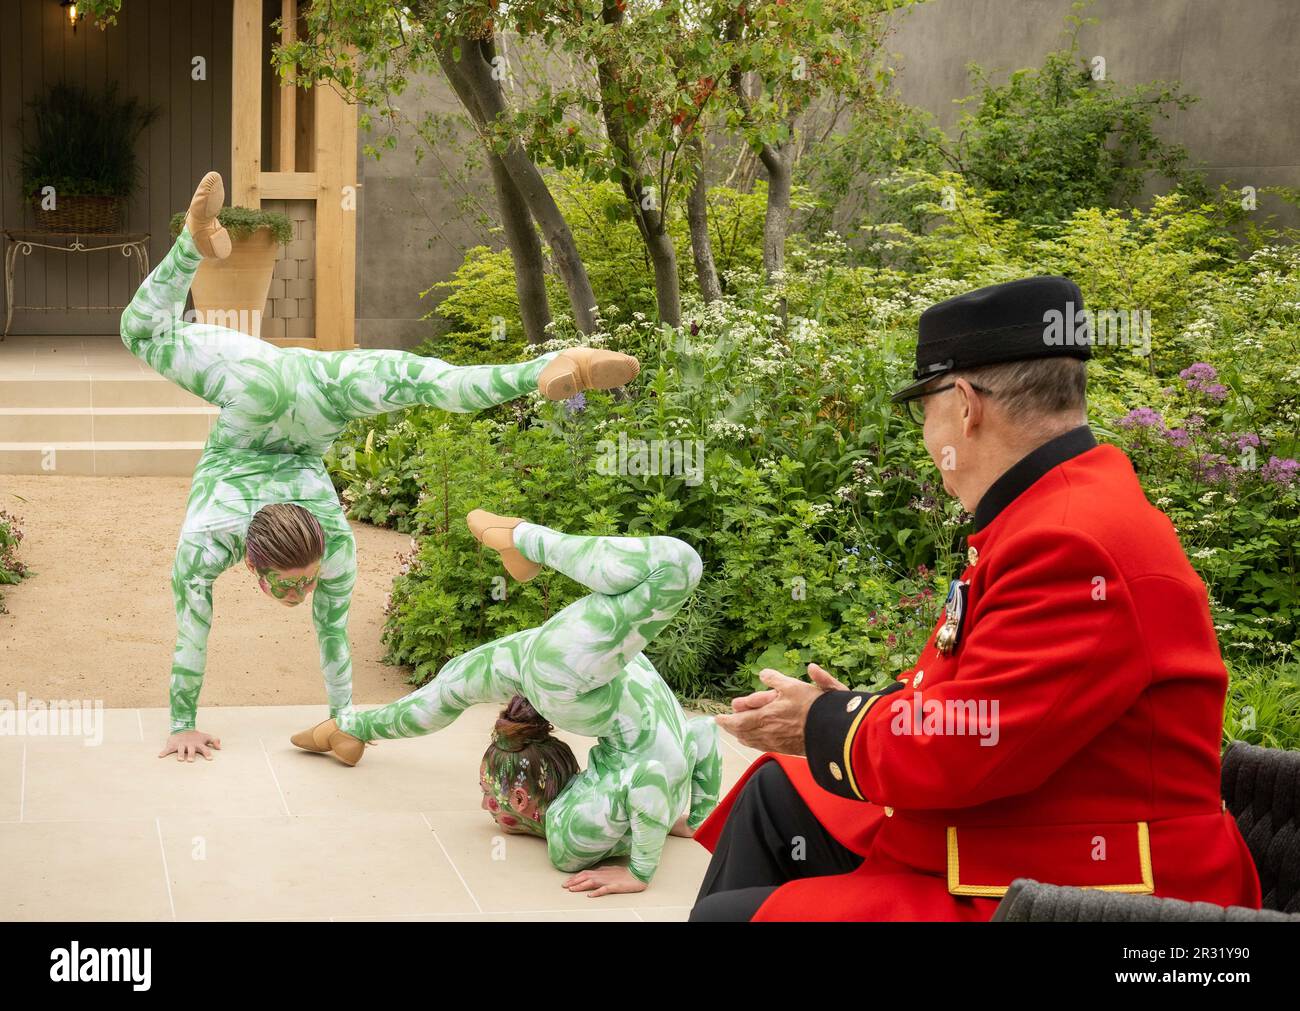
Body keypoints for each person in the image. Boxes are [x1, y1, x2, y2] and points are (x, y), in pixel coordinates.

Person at [689, 275, 1262, 921]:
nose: (927, 437)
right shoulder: (1061, 505)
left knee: (729, 915)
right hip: (1045, 824)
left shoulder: (1070, 539)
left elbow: (969, 743)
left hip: (1099, 894)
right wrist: (855, 711)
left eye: (922, 408)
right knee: (775, 792)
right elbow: (998, 695)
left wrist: (822, 722)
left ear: (964, 403)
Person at [124, 172, 639, 764]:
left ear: (255, 564)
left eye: (304, 579)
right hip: (316, 390)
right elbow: (332, 635)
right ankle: (549, 363)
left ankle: (197, 241)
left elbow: (197, 625)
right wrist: (344, 720)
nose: (306, 591)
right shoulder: (322, 541)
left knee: (139, 329)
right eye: (302, 586)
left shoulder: (212, 537)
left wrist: (186, 723)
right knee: (432, 380)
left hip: (258, 389)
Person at [292, 510, 722, 895]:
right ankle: (524, 538)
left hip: (602, 671)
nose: (484, 807)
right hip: (568, 679)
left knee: (449, 688)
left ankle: (352, 728)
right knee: (676, 564)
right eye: (488, 793)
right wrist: (641, 871)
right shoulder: (569, 840)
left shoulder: (644, 793)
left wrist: (691, 819)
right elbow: (650, 777)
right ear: (519, 800)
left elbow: (701, 735)